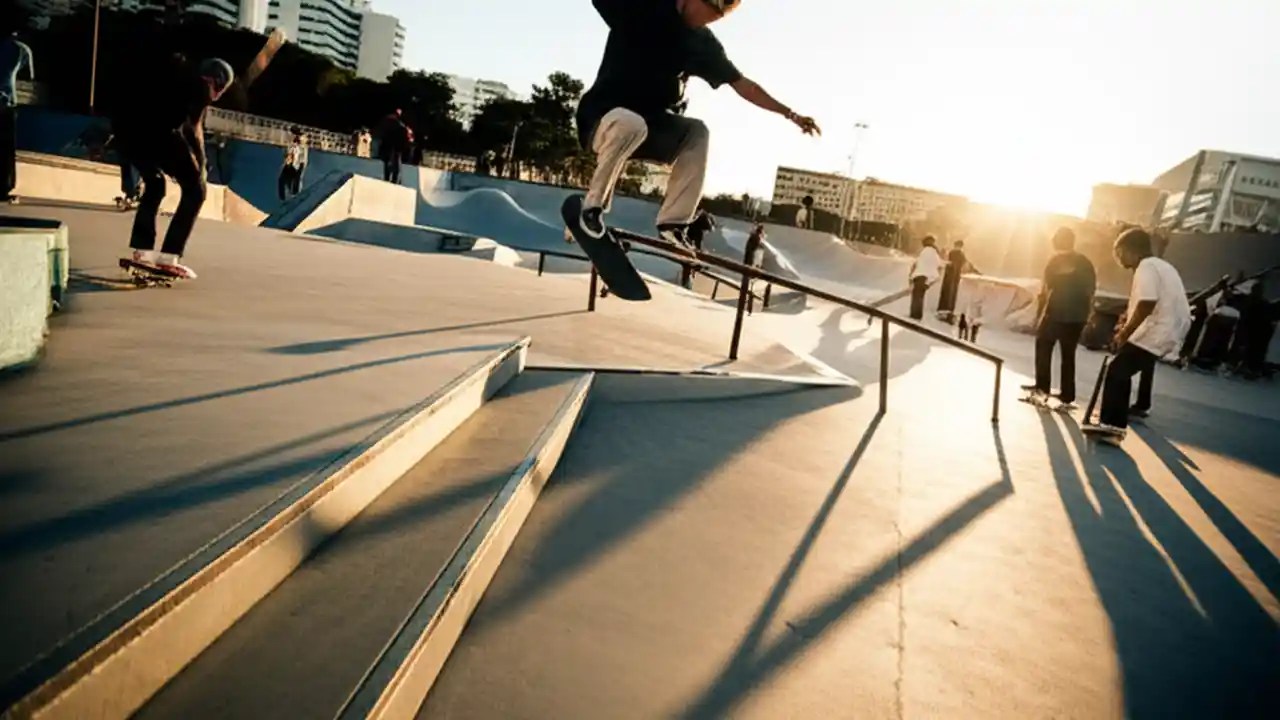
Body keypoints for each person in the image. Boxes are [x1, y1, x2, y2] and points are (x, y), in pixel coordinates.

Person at [574, 0, 820, 251]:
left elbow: (745, 86)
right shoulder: (642, 8)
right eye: (710, 13)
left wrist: (790, 114)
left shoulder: (701, 42)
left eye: (717, 18)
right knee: (631, 124)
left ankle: (673, 222)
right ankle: (592, 209)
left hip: (652, 128)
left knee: (697, 132)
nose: (708, 21)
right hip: (603, 118)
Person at [111, 54, 234, 279]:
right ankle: (169, 256)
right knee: (196, 191)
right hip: (158, 134)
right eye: (220, 89)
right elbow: (193, 129)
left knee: (155, 185)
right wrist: (201, 165)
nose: (217, 95)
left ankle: (142, 251)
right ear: (215, 81)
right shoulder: (200, 87)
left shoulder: (175, 74)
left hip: (126, 132)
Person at [1096, 228, 1191, 440]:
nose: (1117, 257)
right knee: (1121, 371)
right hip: (1168, 330)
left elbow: (1147, 302)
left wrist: (1125, 334)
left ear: (1132, 251)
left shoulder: (1145, 267)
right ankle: (1115, 424)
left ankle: (1111, 426)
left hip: (1157, 330)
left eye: (1119, 251)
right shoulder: (1162, 266)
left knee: (1116, 371)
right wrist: (1126, 321)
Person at [1023, 227, 1096, 407]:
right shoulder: (1085, 262)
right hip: (1078, 316)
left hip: (1056, 313)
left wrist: (1039, 315)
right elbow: (1091, 290)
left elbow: (1046, 290)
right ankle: (1067, 395)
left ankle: (1042, 388)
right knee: (1068, 354)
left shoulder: (1055, 261)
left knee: (1043, 346)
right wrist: (1088, 314)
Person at [0, 26, 34, 204]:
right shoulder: (22, 50)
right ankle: (4, 187)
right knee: (6, 148)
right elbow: (28, 78)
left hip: (6, 102)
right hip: (7, 103)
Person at [937, 240, 978, 319]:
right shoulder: (960, 254)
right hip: (955, 277)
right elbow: (967, 264)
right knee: (952, 294)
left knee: (946, 293)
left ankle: (943, 310)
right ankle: (949, 310)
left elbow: (949, 262)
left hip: (949, 276)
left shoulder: (952, 253)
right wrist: (976, 271)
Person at [908, 235, 943, 320]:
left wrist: (910, 276)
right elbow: (939, 266)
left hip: (919, 276)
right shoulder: (934, 252)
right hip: (928, 279)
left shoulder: (924, 251)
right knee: (920, 296)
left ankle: (915, 314)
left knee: (916, 296)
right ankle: (918, 314)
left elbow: (916, 264)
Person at [377, 109, 410, 183]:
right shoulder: (401, 126)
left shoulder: (386, 122)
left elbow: (382, 135)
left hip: (389, 148)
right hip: (395, 149)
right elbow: (404, 139)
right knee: (395, 167)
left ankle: (388, 179)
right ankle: (393, 181)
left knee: (388, 166)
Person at [278, 127, 307, 201]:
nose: (289, 136)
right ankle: (283, 198)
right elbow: (287, 154)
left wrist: (302, 166)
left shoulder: (301, 142)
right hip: (289, 164)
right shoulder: (290, 144)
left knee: (296, 180)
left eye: (291, 134)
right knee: (281, 180)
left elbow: (303, 155)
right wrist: (286, 159)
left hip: (298, 164)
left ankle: (295, 194)